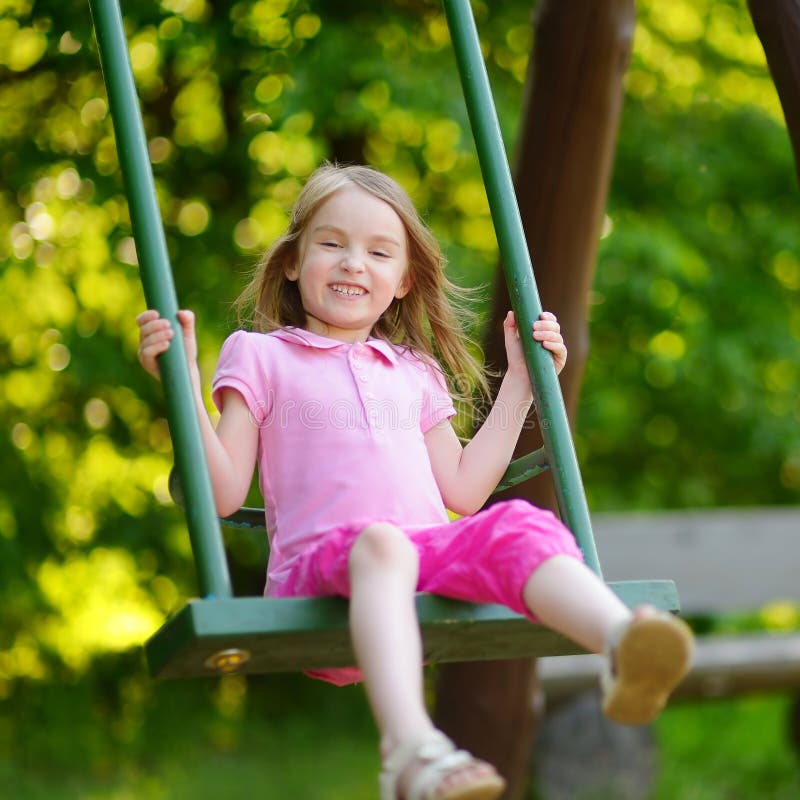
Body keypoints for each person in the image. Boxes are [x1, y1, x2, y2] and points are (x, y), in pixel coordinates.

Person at [137, 164, 693, 800]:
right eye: (331, 243)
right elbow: (225, 493)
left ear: (402, 282)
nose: (353, 263)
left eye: (378, 252)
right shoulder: (260, 354)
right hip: (317, 574)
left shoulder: (414, 371)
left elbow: (462, 492)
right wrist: (180, 384)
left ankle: (622, 642)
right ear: (292, 262)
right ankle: (407, 749)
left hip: (419, 573)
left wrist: (521, 380)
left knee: (519, 525)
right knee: (382, 543)